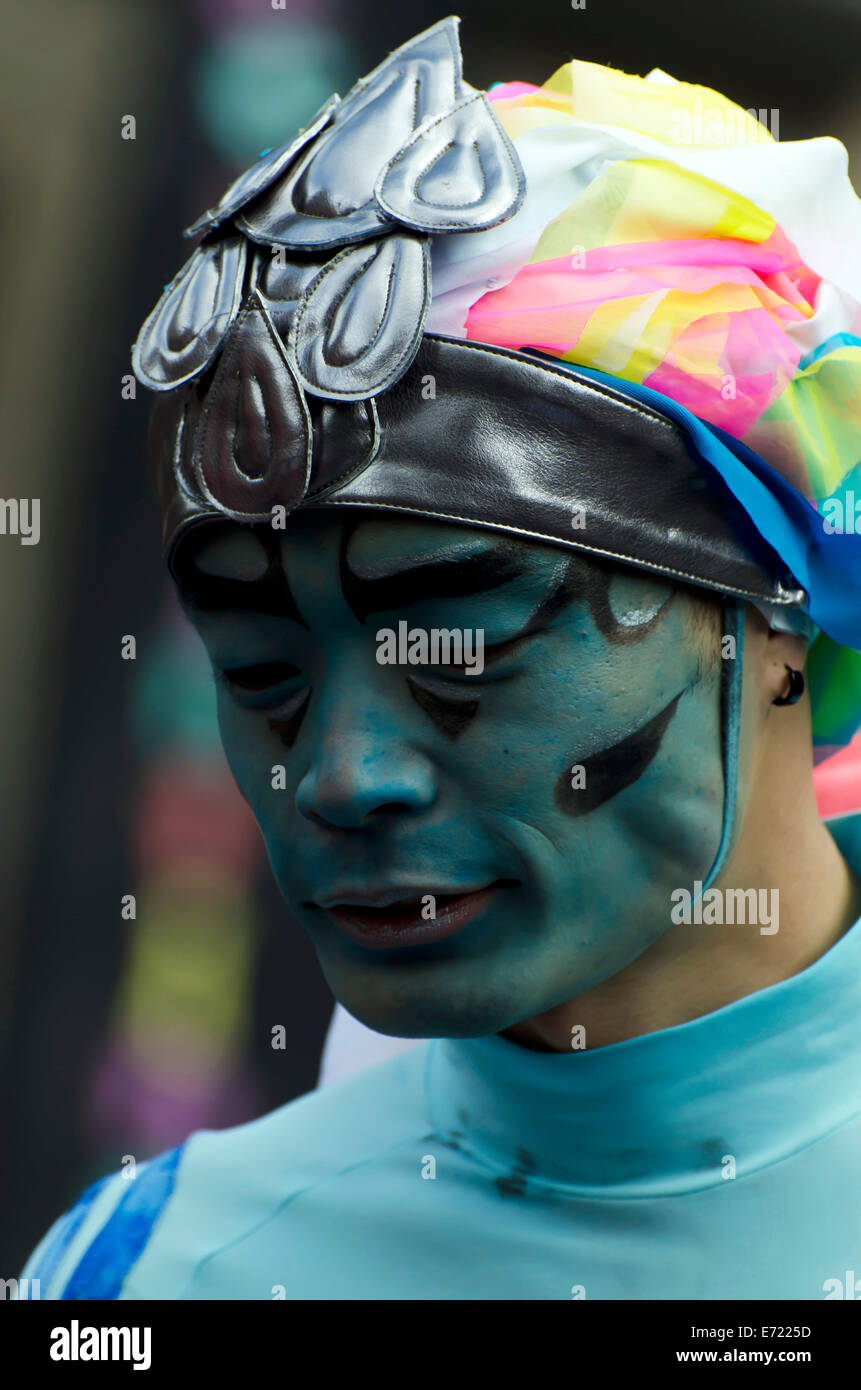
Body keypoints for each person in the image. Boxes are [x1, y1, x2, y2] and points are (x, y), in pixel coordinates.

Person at [21, 17, 861, 1300]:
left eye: (459, 643)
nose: (343, 779)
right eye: (261, 674)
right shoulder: (137, 1278)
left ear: (776, 610)